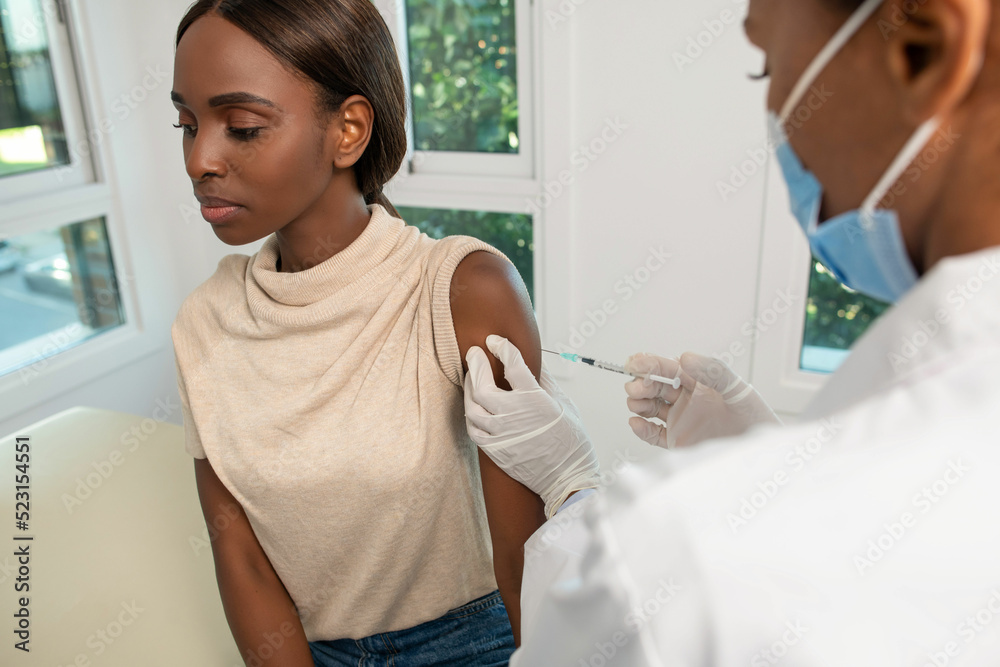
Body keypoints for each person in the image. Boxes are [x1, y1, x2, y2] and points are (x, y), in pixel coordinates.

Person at [464, 0, 1000, 663]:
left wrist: (574, 491)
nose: (779, 117)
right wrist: (767, 446)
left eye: (768, 68)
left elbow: (609, 627)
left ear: (921, 47)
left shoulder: (686, 556)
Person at [168, 2, 597, 665]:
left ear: (348, 130)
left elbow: (525, 561)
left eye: (243, 127)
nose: (200, 159)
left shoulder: (466, 291)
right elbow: (238, 551)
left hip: (477, 643)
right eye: (187, 124)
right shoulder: (205, 321)